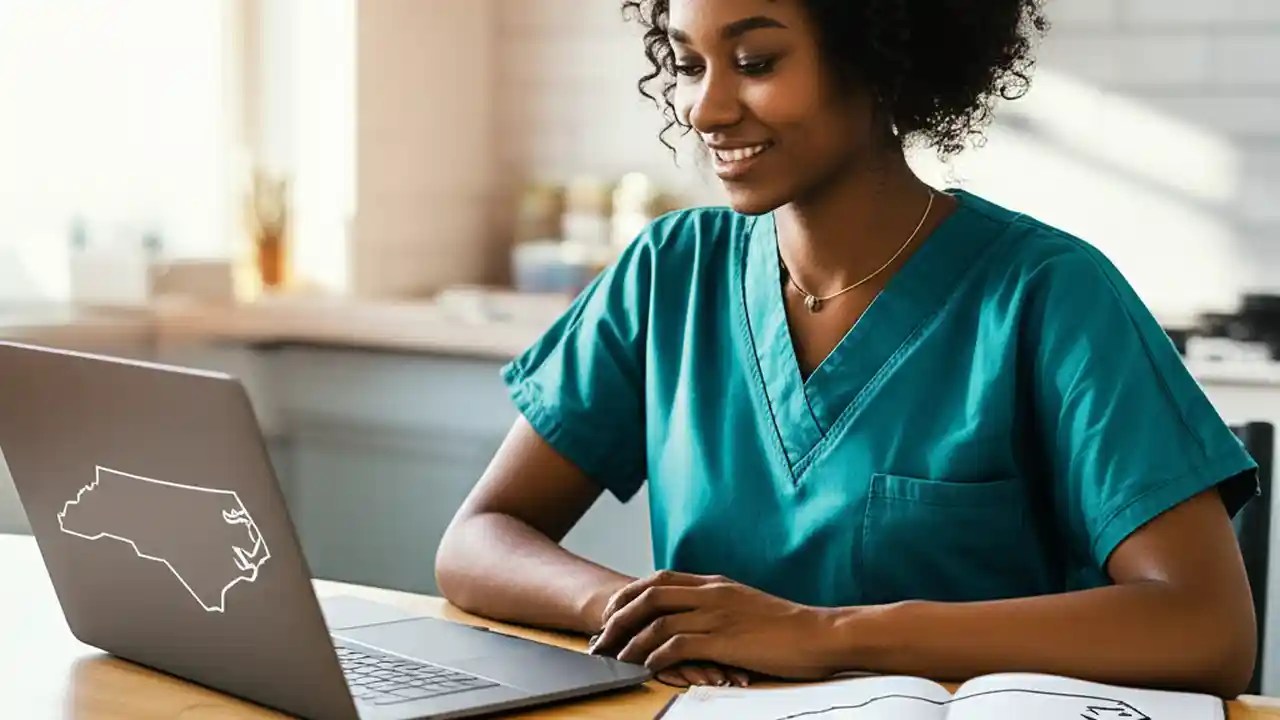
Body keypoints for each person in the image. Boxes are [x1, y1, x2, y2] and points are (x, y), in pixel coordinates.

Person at [436, 0, 1261, 696]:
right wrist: (642, 612)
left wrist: (825, 635)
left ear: (880, 57)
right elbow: (479, 539)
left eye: (755, 61)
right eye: (688, 65)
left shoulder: (1049, 293)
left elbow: (1206, 626)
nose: (704, 108)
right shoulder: (671, 271)